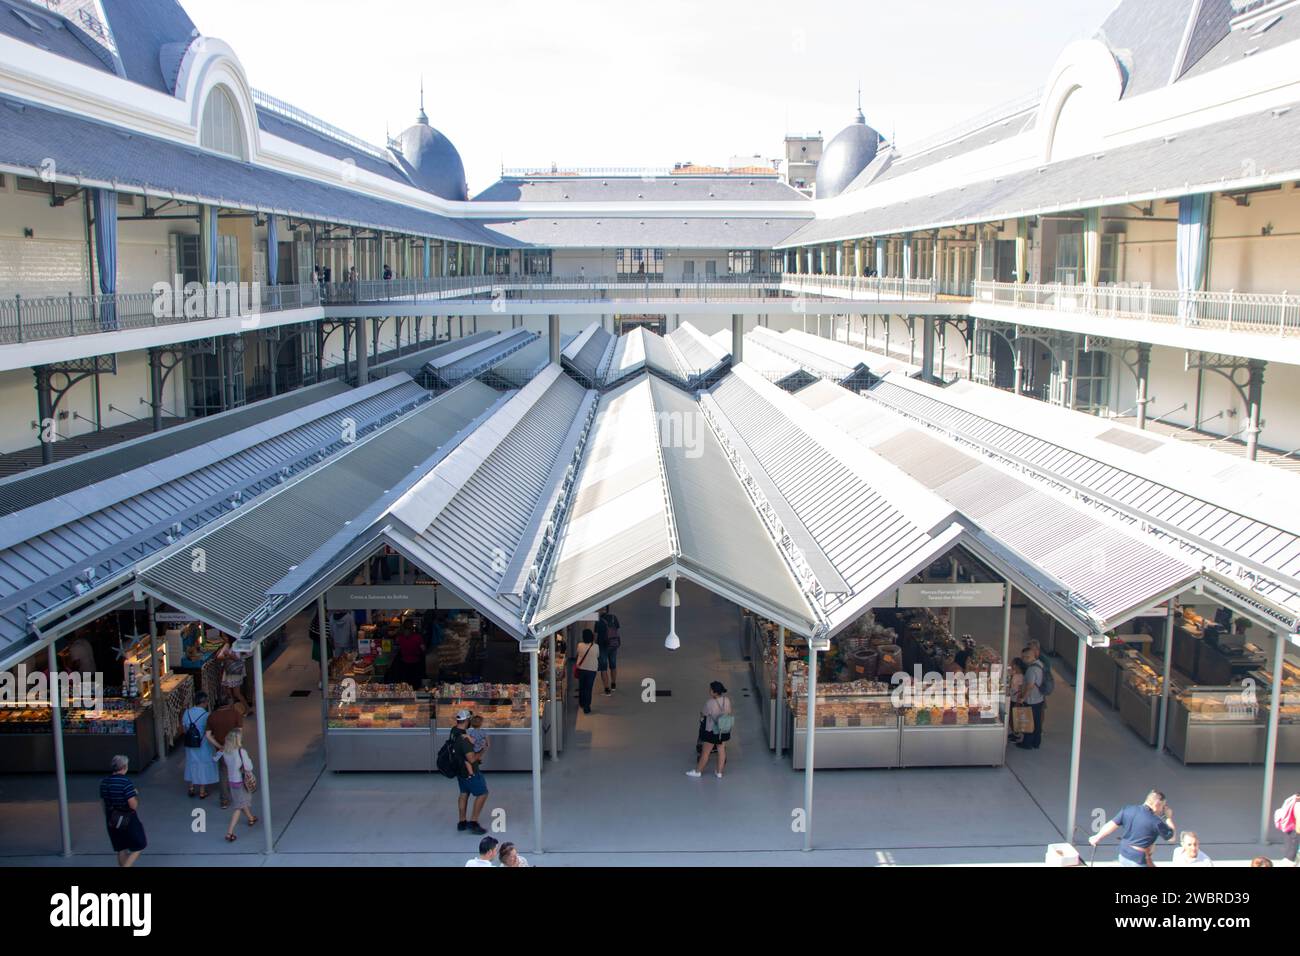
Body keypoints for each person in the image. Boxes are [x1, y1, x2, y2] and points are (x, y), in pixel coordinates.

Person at [1089, 790, 1176, 866]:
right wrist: (1168, 818)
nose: (1162, 810)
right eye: (1162, 806)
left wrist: (1097, 837)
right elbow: (1172, 838)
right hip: (1138, 858)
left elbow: (1111, 824)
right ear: (1157, 804)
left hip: (1123, 853)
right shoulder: (1156, 822)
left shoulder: (1128, 809)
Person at [100, 754, 146, 867]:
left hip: (111, 818)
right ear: (124, 767)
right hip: (127, 819)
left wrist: (109, 815)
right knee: (139, 845)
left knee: (121, 847)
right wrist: (135, 795)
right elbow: (133, 805)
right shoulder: (126, 782)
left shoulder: (104, 782)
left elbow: (103, 802)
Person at [215, 727, 258, 841]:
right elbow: (248, 766)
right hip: (241, 781)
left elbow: (215, 759)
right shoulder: (241, 752)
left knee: (241, 801)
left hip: (232, 781)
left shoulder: (225, 751)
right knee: (238, 807)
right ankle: (230, 832)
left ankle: (251, 818)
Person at [451, 710, 488, 835]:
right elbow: (471, 759)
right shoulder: (465, 740)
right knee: (482, 793)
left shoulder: (454, 731)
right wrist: (483, 750)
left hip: (459, 770)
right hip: (470, 772)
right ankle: (474, 822)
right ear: (466, 721)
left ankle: (462, 822)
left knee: (463, 793)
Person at [205, 696, 245, 810]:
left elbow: (208, 735)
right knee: (238, 770)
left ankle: (224, 800)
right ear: (229, 703)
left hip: (222, 751)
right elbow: (239, 732)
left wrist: (219, 746)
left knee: (223, 773)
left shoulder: (212, 717)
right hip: (235, 748)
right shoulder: (236, 714)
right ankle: (239, 797)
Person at [687, 681, 733, 779]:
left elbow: (703, 714)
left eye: (710, 689)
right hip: (723, 730)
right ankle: (719, 772)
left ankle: (698, 771)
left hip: (712, 731)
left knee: (705, 752)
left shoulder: (710, 703)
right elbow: (729, 712)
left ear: (714, 692)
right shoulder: (727, 700)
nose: (709, 691)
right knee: (721, 750)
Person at [182, 692, 219, 799]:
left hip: (190, 744)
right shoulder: (207, 715)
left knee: (191, 764)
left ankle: (191, 788)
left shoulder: (187, 713)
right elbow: (210, 732)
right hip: (203, 745)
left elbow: (184, 729)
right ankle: (202, 791)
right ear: (203, 702)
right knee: (202, 765)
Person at [1016, 644, 1044, 750]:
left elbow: (1030, 686)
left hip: (1032, 700)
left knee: (1029, 722)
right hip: (1039, 699)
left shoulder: (1031, 670)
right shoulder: (1040, 664)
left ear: (1029, 657)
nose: (1023, 659)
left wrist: (1023, 697)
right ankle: (1036, 742)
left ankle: (1027, 743)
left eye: (1024, 657)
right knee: (1037, 722)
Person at [215, 635, 251, 714]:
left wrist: (228, 655)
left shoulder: (237, 645)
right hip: (229, 670)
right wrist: (226, 656)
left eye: (225, 637)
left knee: (236, 693)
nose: (224, 638)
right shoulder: (227, 645)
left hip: (235, 671)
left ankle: (247, 708)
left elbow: (237, 658)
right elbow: (219, 657)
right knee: (229, 690)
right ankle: (232, 707)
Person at [596, 606, 621, 694]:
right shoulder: (614, 618)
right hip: (613, 644)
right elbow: (616, 629)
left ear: (602, 610)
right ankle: (613, 684)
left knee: (603, 668)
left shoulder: (598, 621)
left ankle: (607, 689)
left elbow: (596, 635)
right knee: (613, 665)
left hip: (603, 646)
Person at [574, 628, 599, 715]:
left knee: (582, 686)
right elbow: (597, 655)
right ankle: (587, 707)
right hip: (592, 670)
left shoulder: (580, 645)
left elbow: (578, 653)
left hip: (582, 669)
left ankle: (581, 702)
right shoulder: (596, 646)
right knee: (588, 688)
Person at [1274, 791, 1299, 865]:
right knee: (1291, 859)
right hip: (1295, 835)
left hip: (1289, 830)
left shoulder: (1292, 800)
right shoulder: (1298, 805)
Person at [1007, 658, 1027, 744]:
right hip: (1012, 698)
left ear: (1016, 665)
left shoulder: (1021, 677)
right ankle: (1014, 732)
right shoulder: (1015, 674)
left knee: (1014, 717)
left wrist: (1018, 702)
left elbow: (1020, 690)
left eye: (1012, 664)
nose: (1011, 665)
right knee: (1011, 717)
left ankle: (1017, 734)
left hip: (1015, 700)